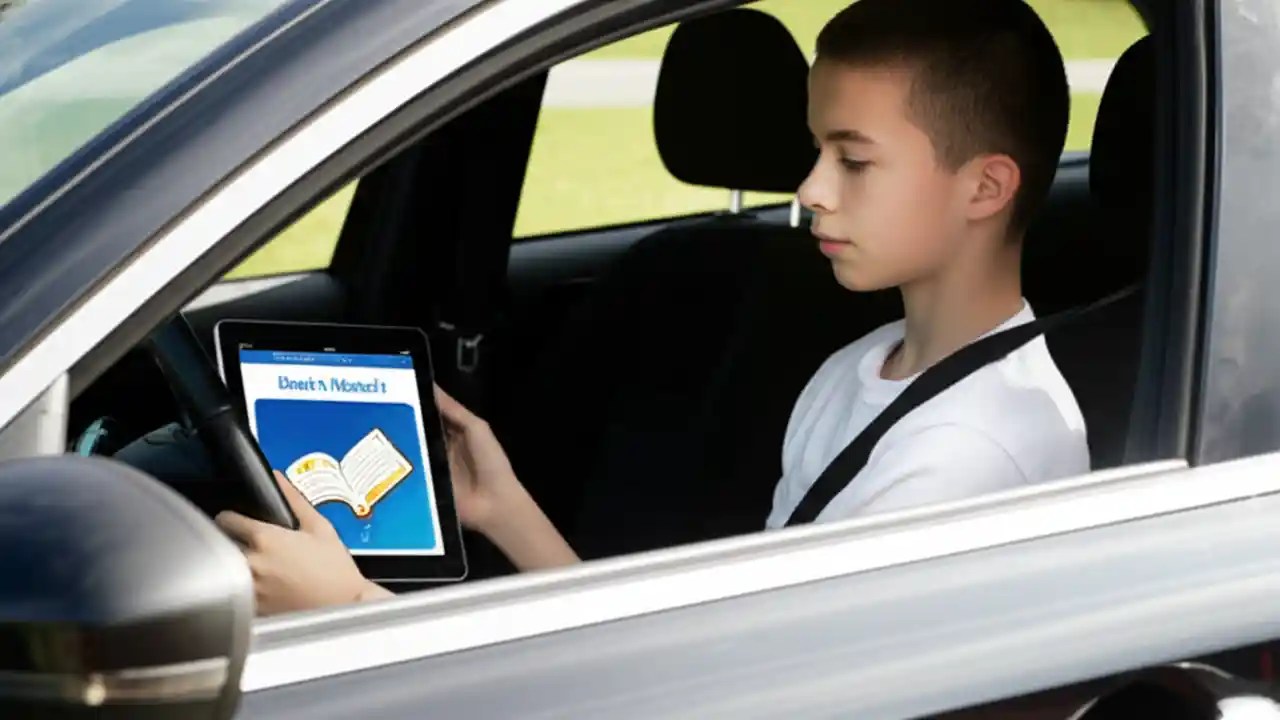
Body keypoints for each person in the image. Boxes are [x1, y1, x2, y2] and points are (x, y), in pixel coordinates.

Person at [216, 0, 1087, 616]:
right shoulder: (860, 370)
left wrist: (357, 611)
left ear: (985, 188)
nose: (812, 188)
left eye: (853, 161)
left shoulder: (960, 462)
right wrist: (505, 509)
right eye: (816, 149)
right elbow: (715, 664)